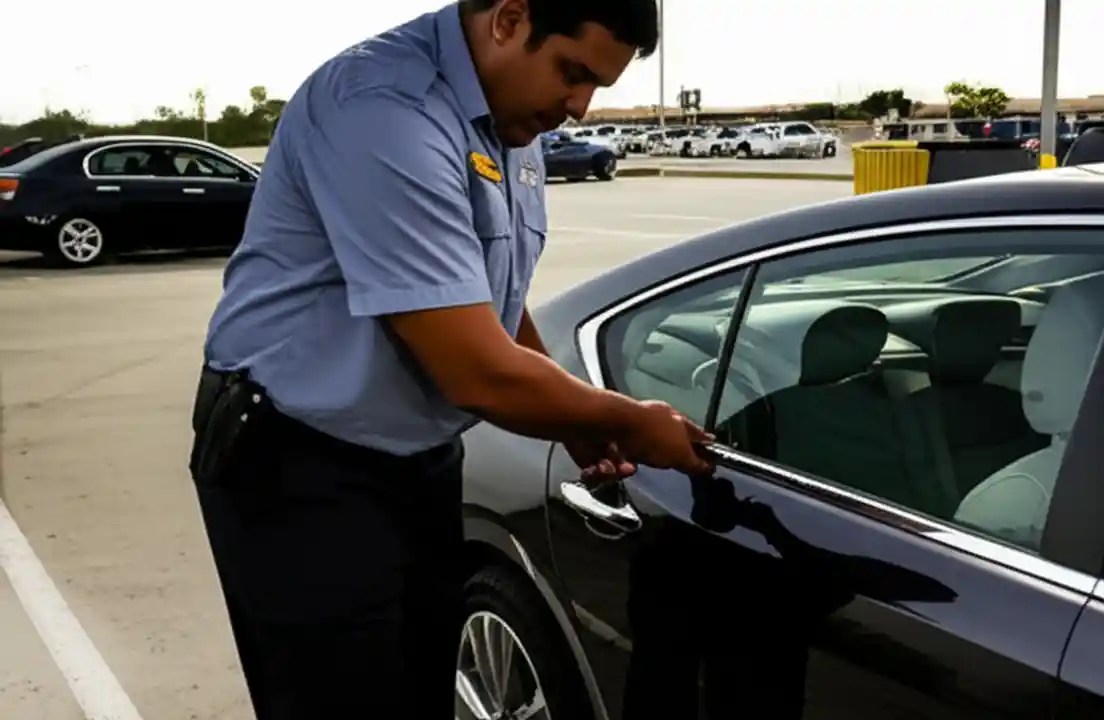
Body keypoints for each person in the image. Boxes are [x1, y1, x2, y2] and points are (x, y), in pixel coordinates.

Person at [186, 1, 714, 717]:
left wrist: (573, 416)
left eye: (597, 86)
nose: (582, 108)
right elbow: (475, 369)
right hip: (300, 463)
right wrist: (629, 418)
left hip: (415, 458)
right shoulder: (381, 111)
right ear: (509, 19)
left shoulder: (512, 119)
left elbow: (492, 304)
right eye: (573, 73)